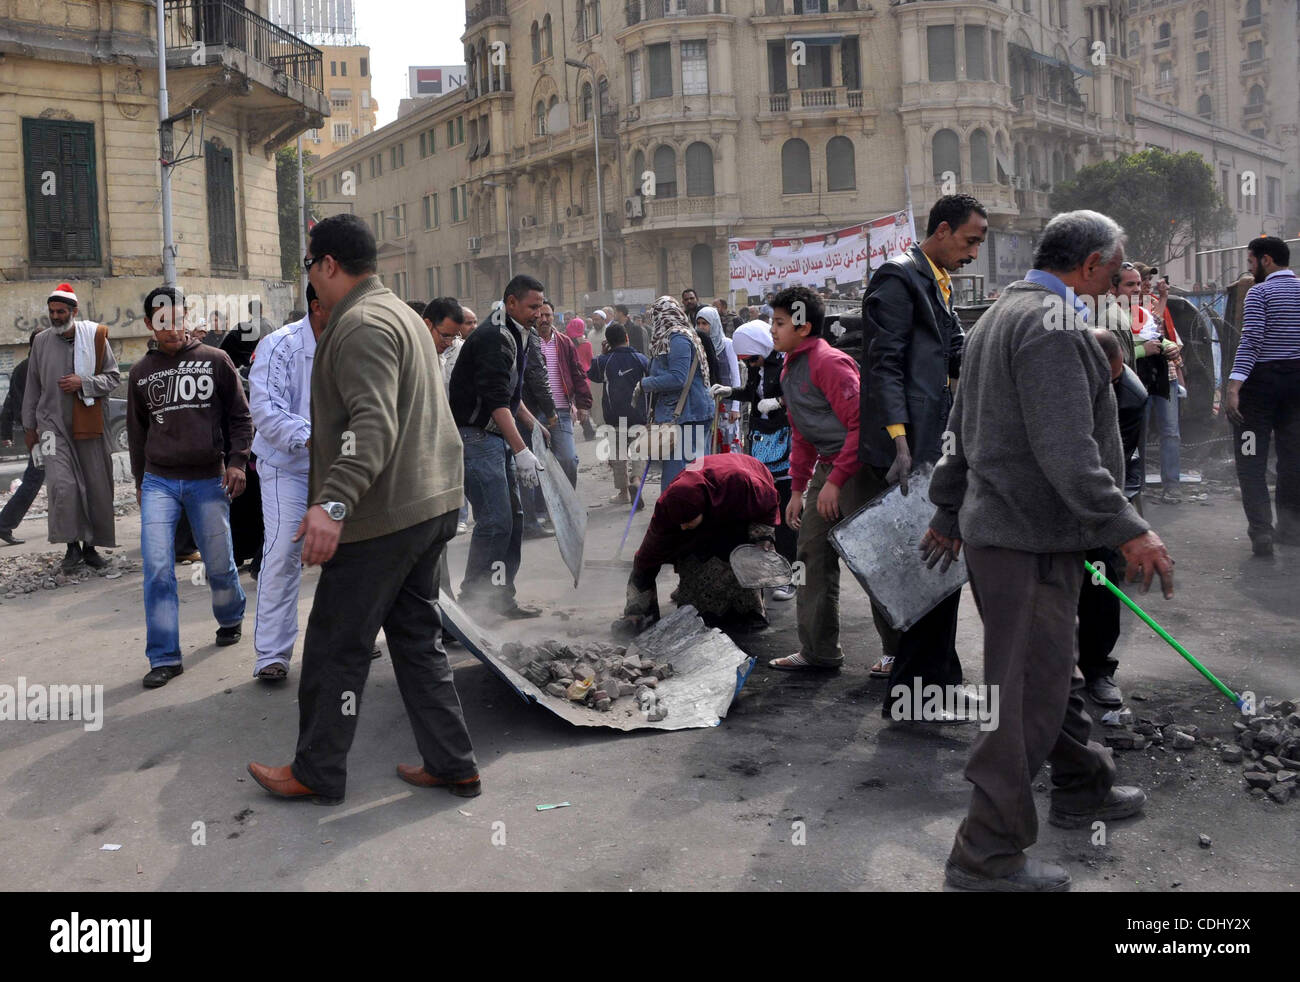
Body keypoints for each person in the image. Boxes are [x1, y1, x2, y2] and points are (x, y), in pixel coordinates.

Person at [924, 210, 1172, 891]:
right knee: (1027, 695)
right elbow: (1069, 453)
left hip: (1003, 535)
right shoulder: (1052, 325)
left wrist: (948, 506)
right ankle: (986, 856)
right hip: (1024, 537)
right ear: (1090, 265)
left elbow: (959, 428)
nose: (1119, 281)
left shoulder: (1003, 312)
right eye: (1116, 269)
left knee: (1048, 675)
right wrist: (1131, 528)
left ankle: (1082, 783)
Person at [247, 212, 478, 805]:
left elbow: (371, 426)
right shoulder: (399, 311)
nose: (311, 284)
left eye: (310, 268)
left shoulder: (360, 325)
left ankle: (317, 772)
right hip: (427, 504)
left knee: (333, 646)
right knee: (415, 636)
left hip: (385, 515)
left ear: (327, 265)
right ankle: (454, 763)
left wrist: (331, 503)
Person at [860, 194, 987, 715]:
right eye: (970, 240)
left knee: (940, 565)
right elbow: (883, 363)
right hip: (905, 450)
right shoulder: (898, 277)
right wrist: (898, 437)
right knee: (927, 571)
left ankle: (941, 681)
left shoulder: (936, 277)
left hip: (931, 441)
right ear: (941, 229)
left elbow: (955, 348)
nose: (975, 252)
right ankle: (916, 695)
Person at [127, 286, 252, 689]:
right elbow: (136, 434)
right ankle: (164, 656)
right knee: (158, 568)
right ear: (150, 324)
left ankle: (230, 616)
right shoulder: (140, 373)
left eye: (179, 318)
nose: (173, 328)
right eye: (163, 321)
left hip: (208, 479)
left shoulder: (215, 361)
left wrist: (236, 462)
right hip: (160, 481)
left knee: (218, 563)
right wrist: (141, 483)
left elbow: (239, 416)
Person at [764, 288, 870, 673]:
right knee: (809, 556)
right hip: (828, 469)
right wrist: (796, 490)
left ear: (804, 326)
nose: (771, 329)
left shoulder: (830, 363)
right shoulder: (791, 367)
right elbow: (802, 434)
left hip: (858, 469)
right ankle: (818, 651)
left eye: (779, 322)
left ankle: (899, 653)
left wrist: (837, 481)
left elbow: (862, 426)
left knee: (871, 559)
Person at [449, 275, 549, 618]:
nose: (539, 312)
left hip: (495, 435)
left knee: (514, 518)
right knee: (495, 521)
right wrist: (521, 450)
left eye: (541, 305)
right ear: (511, 303)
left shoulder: (518, 333)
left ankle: (500, 598)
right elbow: (495, 400)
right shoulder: (494, 337)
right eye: (533, 306)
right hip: (476, 436)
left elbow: (511, 394)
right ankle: (474, 603)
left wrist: (532, 423)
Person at [246, 284, 327, 682]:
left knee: (350, 556)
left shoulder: (354, 343)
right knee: (282, 554)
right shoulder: (280, 346)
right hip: (288, 468)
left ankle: (342, 643)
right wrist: (317, 435)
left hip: (339, 467)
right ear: (317, 305)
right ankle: (272, 655)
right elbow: (266, 411)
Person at [616, 454, 779, 635]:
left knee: (740, 557)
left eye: (688, 521)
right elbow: (647, 556)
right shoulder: (668, 507)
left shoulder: (742, 484)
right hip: (711, 498)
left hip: (739, 498)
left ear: (701, 508)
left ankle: (747, 611)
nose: (683, 527)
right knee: (697, 590)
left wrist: (763, 539)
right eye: (680, 523)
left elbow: (767, 505)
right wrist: (636, 609)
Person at [21, 283, 118, 571]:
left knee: (95, 485)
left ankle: (90, 547)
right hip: (51, 426)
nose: (55, 317)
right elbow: (33, 387)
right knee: (63, 486)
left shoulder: (97, 338)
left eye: (61, 311)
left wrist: (84, 383)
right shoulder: (41, 342)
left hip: (88, 423)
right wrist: (30, 428)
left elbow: (112, 378)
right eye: (51, 312)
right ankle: (71, 547)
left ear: (74, 311)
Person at [1076, 328, 1149, 707]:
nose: (1112, 383)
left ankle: (1098, 668)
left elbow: (1103, 463)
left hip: (1103, 496)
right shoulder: (1064, 379)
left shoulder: (1130, 397)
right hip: (1048, 500)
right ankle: (1052, 671)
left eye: (1116, 375)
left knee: (1100, 581)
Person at [710, 320, 796, 600]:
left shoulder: (786, 363)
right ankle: (771, 569)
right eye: (745, 360)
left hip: (783, 437)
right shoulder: (758, 368)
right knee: (766, 503)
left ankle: (793, 576)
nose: (751, 363)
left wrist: (780, 403)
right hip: (761, 438)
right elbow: (751, 393)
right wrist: (729, 392)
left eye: (752, 358)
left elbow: (803, 393)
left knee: (786, 508)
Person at [1225, 235, 1300, 555]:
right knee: (1293, 458)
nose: (1250, 269)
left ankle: (1261, 532)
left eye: (1251, 262)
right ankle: (1290, 528)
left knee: (1251, 460)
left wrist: (1233, 385)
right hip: (1296, 387)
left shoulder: (1260, 292)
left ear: (1266, 260)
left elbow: (1252, 341)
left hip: (1260, 389)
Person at [636, 296, 714, 491]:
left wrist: (645, 384)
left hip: (687, 413)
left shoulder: (677, 337)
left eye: (654, 316)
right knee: (688, 473)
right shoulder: (671, 337)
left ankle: (679, 516)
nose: (652, 322)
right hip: (683, 412)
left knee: (681, 477)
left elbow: (678, 378)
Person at [588, 322, 650, 506]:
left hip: (614, 417)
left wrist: (603, 353)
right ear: (627, 338)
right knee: (640, 451)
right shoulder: (641, 359)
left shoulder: (603, 362)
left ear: (608, 342)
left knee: (618, 455)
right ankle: (636, 480)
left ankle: (623, 493)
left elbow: (593, 375)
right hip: (638, 415)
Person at [533, 303, 592, 487]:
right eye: (540, 315)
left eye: (548, 315)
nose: (544, 319)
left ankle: (568, 502)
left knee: (568, 460)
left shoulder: (564, 342)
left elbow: (577, 373)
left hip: (561, 411)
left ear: (553, 317)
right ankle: (542, 509)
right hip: (533, 412)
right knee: (537, 463)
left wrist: (582, 404)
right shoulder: (527, 341)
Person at [1, 330, 46, 545]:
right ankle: (4, 523)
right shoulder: (37, 368)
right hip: (42, 433)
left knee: (43, 477)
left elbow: (9, 403)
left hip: (34, 432)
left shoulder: (21, 368)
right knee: (34, 479)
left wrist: (6, 432)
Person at [695, 305, 740, 450]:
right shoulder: (697, 346)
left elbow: (735, 376)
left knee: (728, 444)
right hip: (706, 404)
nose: (701, 327)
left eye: (705, 323)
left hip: (726, 404)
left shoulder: (727, 344)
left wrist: (735, 407)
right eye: (698, 323)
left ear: (714, 324)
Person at [423, 297, 465, 384]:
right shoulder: (411, 356)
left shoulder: (458, 349)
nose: (449, 343)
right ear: (427, 324)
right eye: (445, 336)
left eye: (454, 336)